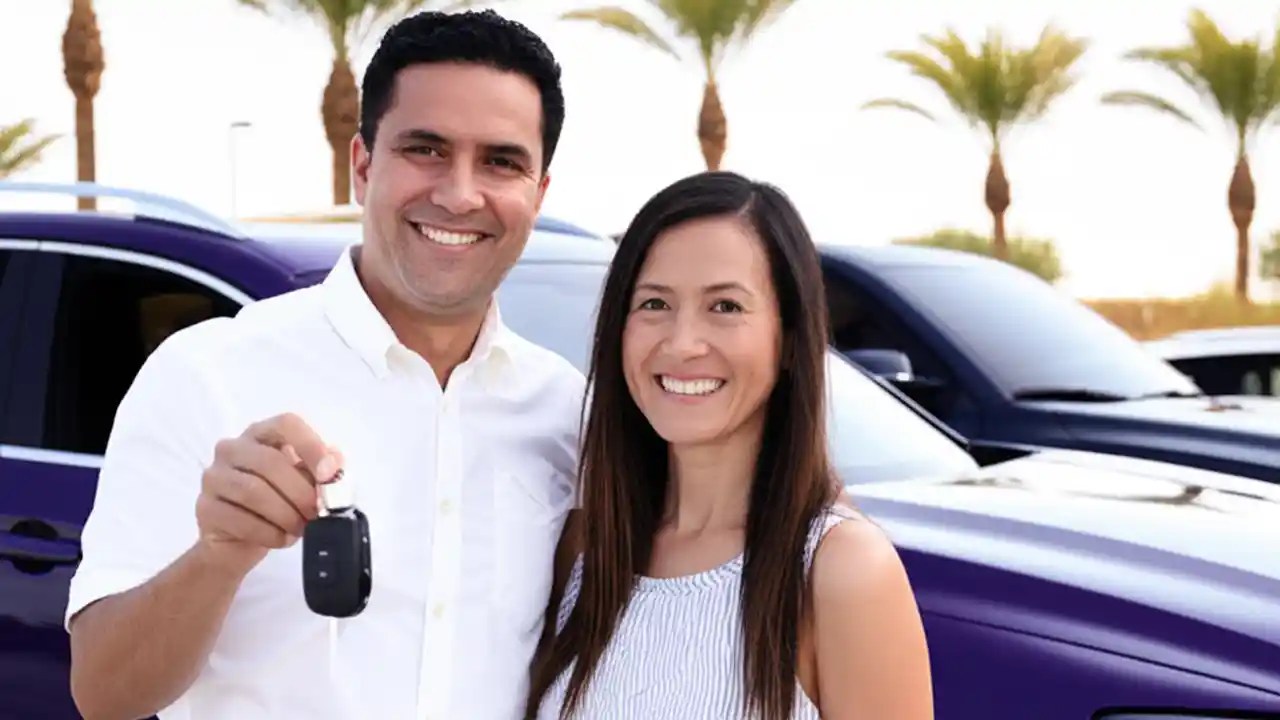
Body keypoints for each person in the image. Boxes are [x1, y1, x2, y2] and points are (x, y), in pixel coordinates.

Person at [66, 10, 583, 720]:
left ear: (539, 193)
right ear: (362, 165)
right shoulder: (205, 374)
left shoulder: (570, 414)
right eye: (426, 149)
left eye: (501, 160)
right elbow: (103, 693)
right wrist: (220, 554)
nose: (460, 193)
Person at [526, 171, 934, 719]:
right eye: (653, 304)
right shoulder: (585, 550)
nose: (682, 343)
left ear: (789, 340)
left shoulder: (841, 571)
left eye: (725, 307)